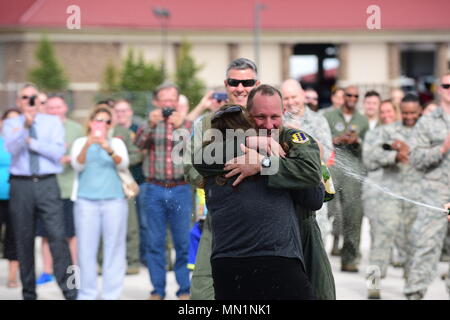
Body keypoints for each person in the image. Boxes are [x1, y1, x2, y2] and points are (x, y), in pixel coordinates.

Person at [185, 69, 335, 300]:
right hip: (249, 258)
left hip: (283, 252)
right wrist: (251, 141)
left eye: (274, 117)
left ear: (284, 113)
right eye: (260, 117)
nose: (268, 124)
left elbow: (311, 182)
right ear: (248, 116)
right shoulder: (233, 148)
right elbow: (199, 160)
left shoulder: (294, 140)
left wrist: (263, 164)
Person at [2, 83, 77, 300]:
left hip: (47, 183)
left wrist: (31, 141)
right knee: (23, 239)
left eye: (33, 97)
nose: (29, 101)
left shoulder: (52, 122)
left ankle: (71, 291)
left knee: (58, 237)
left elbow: (56, 152)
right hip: (21, 184)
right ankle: (28, 293)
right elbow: (13, 149)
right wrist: (25, 127)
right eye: (25, 98)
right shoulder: (11, 123)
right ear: (18, 101)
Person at [135, 83, 192, 300]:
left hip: (180, 188)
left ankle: (184, 289)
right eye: (164, 99)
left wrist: (181, 129)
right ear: (156, 102)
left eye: (172, 99)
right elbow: (139, 145)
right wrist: (150, 124)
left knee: (182, 243)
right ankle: (157, 290)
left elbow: (194, 151)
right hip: (153, 188)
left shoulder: (187, 124)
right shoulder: (148, 124)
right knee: (155, 243)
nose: (168, 104)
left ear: (178, 102)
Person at [363, 94, 423, 299]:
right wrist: (394, 155)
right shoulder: (387, 132)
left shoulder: (426, 133)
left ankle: (413, 287)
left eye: (412, 113)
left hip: (416, 197)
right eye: (405, 112)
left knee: (413, 243)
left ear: (420, 111)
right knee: (381, 239)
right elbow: (369, 158)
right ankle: (372, 286)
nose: (408, 117)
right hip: (389, 195)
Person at [71, 106, 129, 300]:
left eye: (107, 121)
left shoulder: (116, 143)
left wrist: (107, 147)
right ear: (90, 122)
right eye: (98, 120)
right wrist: (88, 145)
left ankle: (111, 294)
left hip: (114, 201)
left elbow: (123, 164)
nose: (102, 124)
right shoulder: (80, 142)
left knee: (114, 248)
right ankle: (87, 293)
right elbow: (76, 165)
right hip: (86, 202)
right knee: (85, 250)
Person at [404, 73, 450, 300]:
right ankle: (414, 294)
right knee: (425, 249)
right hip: (435, 196)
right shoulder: (428, 122)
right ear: (440, 89)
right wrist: (441, 149)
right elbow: (416, 158)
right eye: (447, 85)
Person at [35, 95, 83, 285]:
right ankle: (47, 271)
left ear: (65, 108)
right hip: (46, 188)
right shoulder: (39, 128)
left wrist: (71, 157)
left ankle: (73, 275)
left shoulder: (76, 129)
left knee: (71, 234)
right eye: (51, 107)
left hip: (69, 188)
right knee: (46, 234)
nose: (54, 110)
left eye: (58, 107)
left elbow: (81, 152)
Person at [281, 79, 334, 243]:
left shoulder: (319, 121)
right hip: (286, 195)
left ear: (303, 95)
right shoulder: (277, 122)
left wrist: (301, 134)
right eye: (286, 98)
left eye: (294, 97)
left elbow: (327, 154)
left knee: (317, 243)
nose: (290, 102)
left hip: (313, 192)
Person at [323, 85, 370, 272]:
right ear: (343, 97)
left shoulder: (362, 120)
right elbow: (321, 140)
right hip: (333, 169)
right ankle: (321, 257)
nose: (352, 98)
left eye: (355, 96)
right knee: (325, 214)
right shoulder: (329, 117)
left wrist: (357, 141)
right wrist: (336, 139)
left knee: (353, 215)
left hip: (354, 171)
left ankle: (349, 258)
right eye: (348, 95)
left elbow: (370, 146)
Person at [111, 99, 144, 274]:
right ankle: (104, 261)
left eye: (124, 111)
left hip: (125, 182)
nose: (120, 115)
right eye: (117, 111)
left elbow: (137, 155)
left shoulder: (125, 132)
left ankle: (132, 261)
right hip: (104, 185)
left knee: (131, 225)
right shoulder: (99, 132)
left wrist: (119, 163)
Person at [0, 108, 21, 288]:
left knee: (14, 237)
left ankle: (12, 276)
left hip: (17, 196)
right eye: (8, 120)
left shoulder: (23, 142)